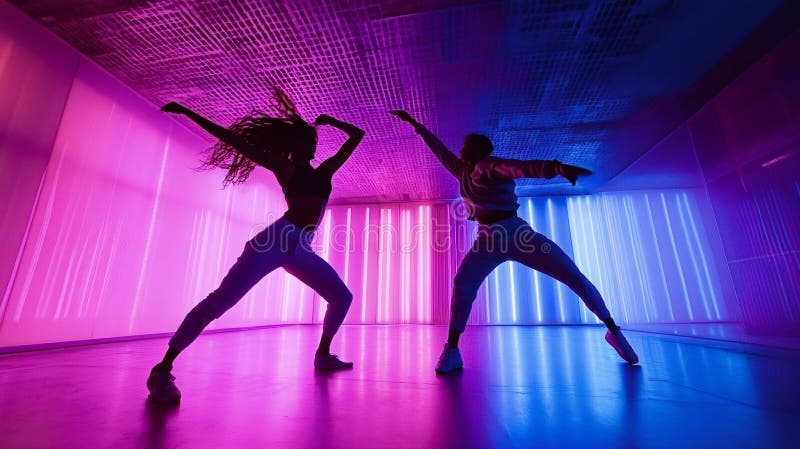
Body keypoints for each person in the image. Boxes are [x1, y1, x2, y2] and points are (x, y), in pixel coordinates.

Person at [146, 88, 365, 404]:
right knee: (219, 302)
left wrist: (331, 121)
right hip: (274, 242)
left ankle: (323, 354)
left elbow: (357, 136)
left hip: (301, 247)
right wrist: (189, 112)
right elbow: (236, 141)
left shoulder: (326, 170)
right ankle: (163, 368)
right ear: (295, 145)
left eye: (315, 140)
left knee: (342, 297)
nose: (314, 143)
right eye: (309, 139)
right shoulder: (284, 167)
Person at [389, 110, 639, 374]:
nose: (461, 149)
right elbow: (440, 151)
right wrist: (417, 126)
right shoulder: (462, 172)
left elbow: (519, 167)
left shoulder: (490, 165)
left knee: (572, 275)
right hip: (487, 237)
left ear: (479, 151)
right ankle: (452, 350)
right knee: (463, 284)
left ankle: (613, 331)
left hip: (519, 235)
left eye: (466, 146)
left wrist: (555, 167)